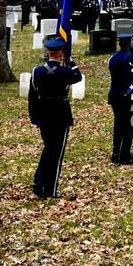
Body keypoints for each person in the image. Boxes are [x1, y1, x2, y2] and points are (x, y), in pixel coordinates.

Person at [28, 36, 82, 198]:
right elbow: (78, 76)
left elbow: (32, 96)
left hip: (43, 114)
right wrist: (70, 60)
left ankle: (39, 182)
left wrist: (34, 117)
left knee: (49, 149)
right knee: (56, 154)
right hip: (60, 115)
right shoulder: (66, 72)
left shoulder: (37, 72)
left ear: (48, 53)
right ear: (60, 54)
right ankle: (50, 190)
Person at [107, 32, 133, 164]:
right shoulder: (130, 58)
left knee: (118, 125)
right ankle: (124, 155)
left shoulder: (113, 58)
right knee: (129, 126)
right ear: (129, 44)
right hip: (126, 95)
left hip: (115, 94)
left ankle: (115, 153)